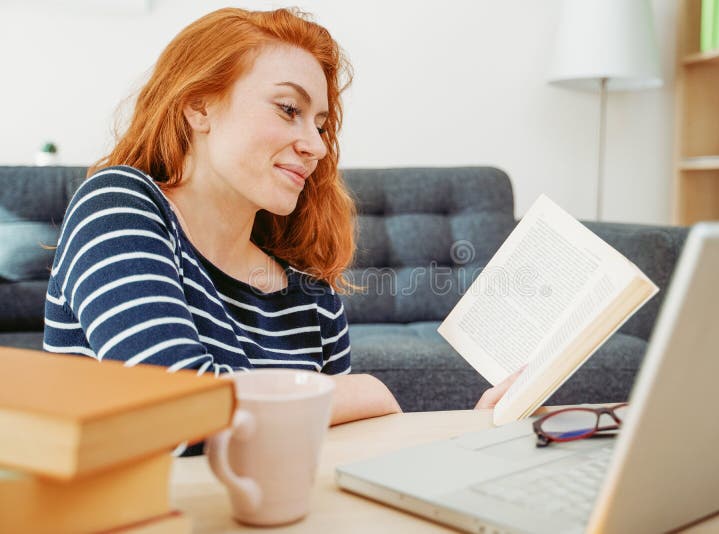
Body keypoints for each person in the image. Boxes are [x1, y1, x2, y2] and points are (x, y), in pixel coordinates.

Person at [43, 7, 513, 432]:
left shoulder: (310, 297)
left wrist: (469, 432)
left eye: (321, 124)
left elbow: (330, 454)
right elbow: (178, 411)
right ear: (199, 106)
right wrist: (368, 391)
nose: (317, 145)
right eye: (289, 109)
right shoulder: (118, 203)